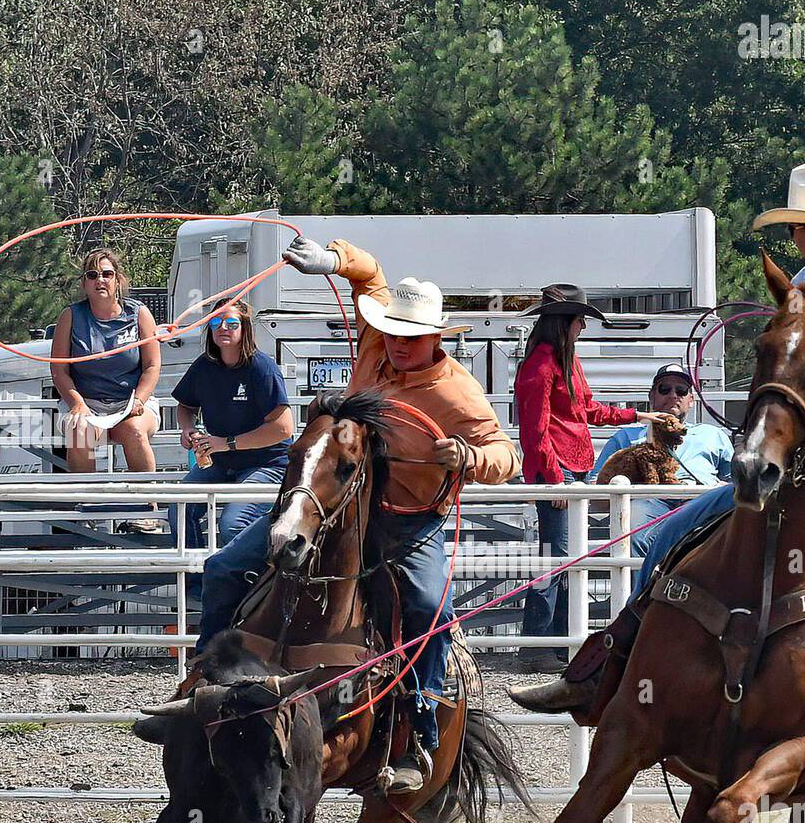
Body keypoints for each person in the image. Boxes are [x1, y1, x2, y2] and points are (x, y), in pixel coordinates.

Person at [513, 161, 805, 823]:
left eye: (795, 226)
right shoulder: (803, 286)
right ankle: (603, 668)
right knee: (672, 533)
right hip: (797, 463)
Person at [196, 234, 519, 792]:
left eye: (411, 336)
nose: (397, 343)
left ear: (436, 337)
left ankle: (420, 726)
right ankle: (205, 683)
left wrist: (469, 456)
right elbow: (368, 275)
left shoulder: (458, 395)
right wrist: (331, 261)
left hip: (407, 524)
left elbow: (506, 456)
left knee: (427, 609)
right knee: (223, 568)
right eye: (393, 331)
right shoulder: (376, 342)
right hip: (337, 510)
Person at [515, 284, 661, 671]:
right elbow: (534, 430)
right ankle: (538, 643)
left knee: (567, 556)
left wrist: (637, 416)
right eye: (580, 320)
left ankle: (558, 642)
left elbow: (588, 410)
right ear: (567, 323)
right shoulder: (543, 364)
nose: (583, 326)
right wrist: (554, 478)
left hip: (572, 469)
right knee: (557, 555)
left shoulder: (563, 361)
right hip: (560, 472)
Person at [169, 297, 294, 592]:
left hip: (268, 465)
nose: (222, 328)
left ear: (245, 328)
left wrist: (226, 443)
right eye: (215, 322)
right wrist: (187, 429)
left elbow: (283, 428)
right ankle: (200, 591)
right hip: (220, 462)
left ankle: (253, 591)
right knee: (179, 508)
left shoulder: (262, 368)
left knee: (232, 523)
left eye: (231, 323)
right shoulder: (204, 366)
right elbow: (184, 405)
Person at [50, 249, 162, 529]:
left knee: (134, 431)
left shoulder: (139, 313)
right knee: (80, 429)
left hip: (131, 400)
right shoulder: (71, 316)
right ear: (84, 283)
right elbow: (59, 370)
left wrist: (139, 398)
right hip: (86, 400)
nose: (100, 280)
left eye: (107, 274)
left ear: (118, 280)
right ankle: (88, 507)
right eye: (93, 275)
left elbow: (151, 366)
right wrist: (77, 403)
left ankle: (147, 508)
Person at [589, 363, 734, 555]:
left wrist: (719, 488)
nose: (673, 395)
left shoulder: (713, 435)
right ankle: (641, 585)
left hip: (699, 499)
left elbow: (735, 483)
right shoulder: (626, 437)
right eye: (664, 389)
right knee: (633, 528)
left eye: (681, 390)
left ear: (691, 400)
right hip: (648, 501)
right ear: (652, 396)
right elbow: (597, 494)